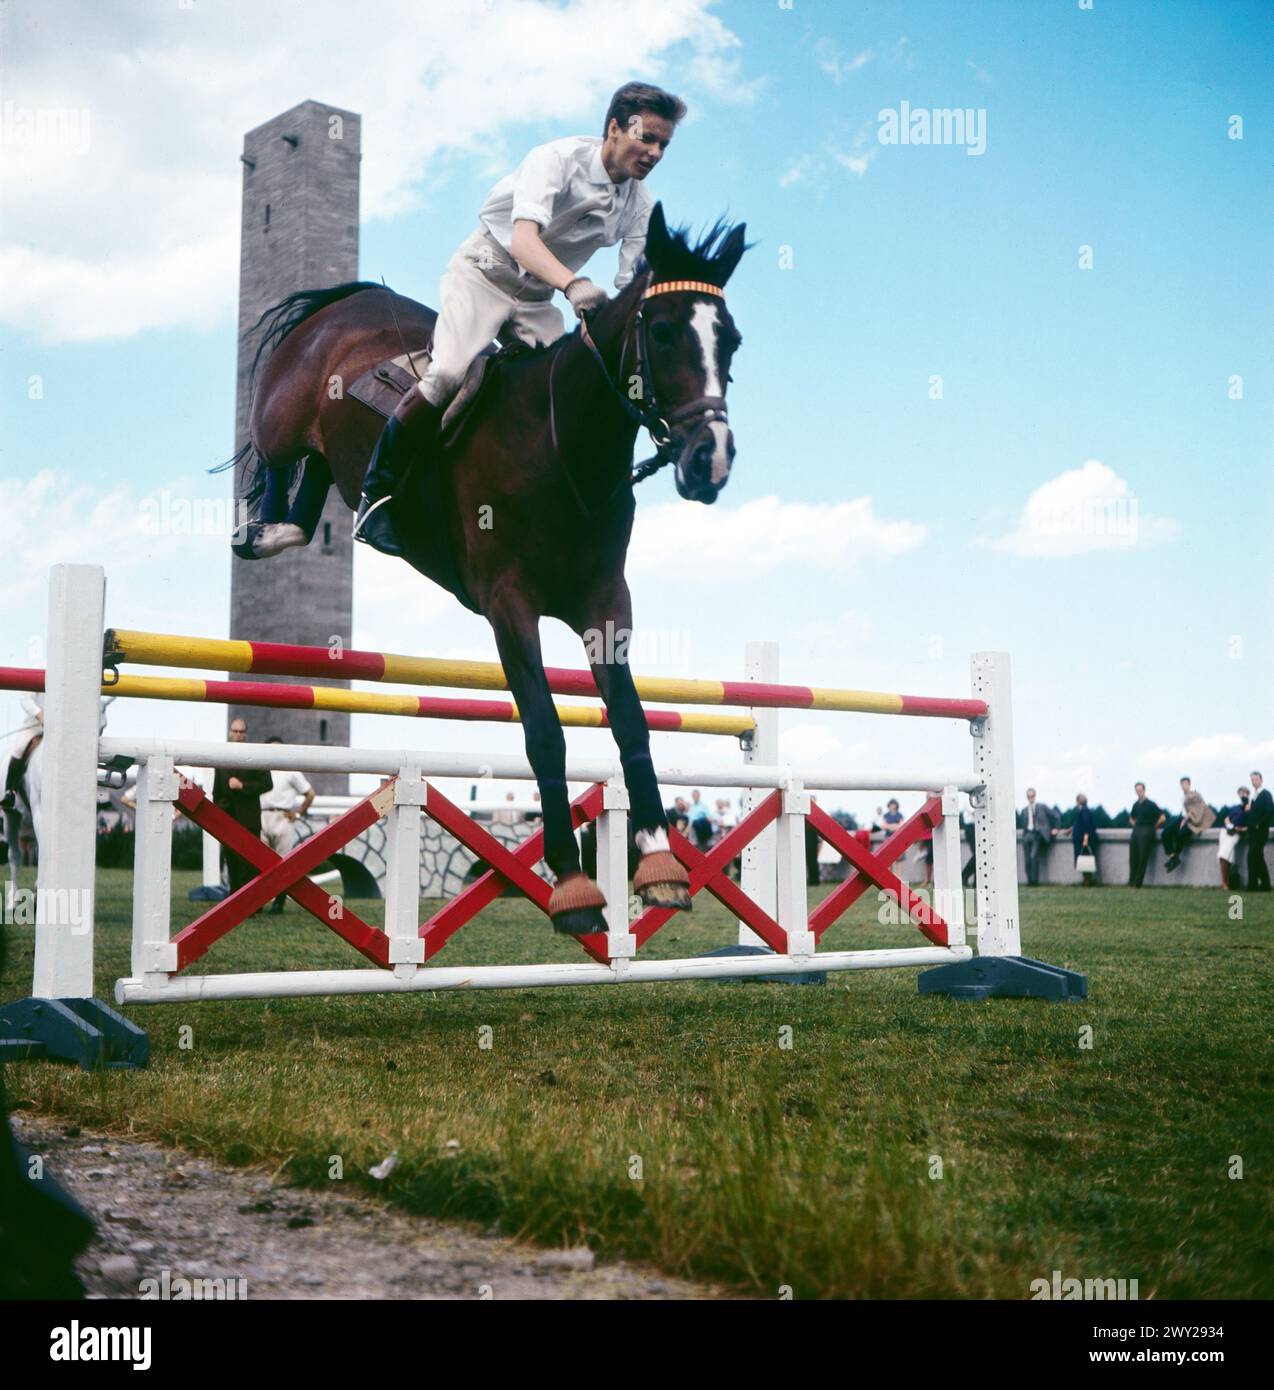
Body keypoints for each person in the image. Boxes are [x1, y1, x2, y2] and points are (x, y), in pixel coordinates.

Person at [352, 81, 684, 555]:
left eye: (663, 145)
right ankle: (376, 496)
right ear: (613, 128)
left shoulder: (640, 205)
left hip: (535, 301)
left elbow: (633, 287)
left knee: (569, 384)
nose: (654, 152)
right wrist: (573, 285)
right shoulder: (555, 159)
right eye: (646, 138)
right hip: (484, 274)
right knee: (448, 372)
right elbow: (525, 243)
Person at [212, 718, 273, 897]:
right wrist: (219, 815)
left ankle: (251, 903)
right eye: (235, 731)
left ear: (245, 734)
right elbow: (216, 791)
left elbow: (267, 784)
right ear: (230, 732)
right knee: (231, 861)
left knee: (249, 864)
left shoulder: (255, 755)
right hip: (228, 819)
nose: (238, 735)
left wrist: (243, 786)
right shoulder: (221, 757)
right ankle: (234, 899)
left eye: (241, 732)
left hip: (249, 819)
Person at [259, 737, 315, 913]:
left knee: (282, 862)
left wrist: (298, 813)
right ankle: (258, 902)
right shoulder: (260, 769)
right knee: (259, 862)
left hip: (283, 817)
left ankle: (279, 902)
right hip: (261, 815)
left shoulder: (291, 771)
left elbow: (310, 794)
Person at [1162, 776, 1215, 872]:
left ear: (1189, 784)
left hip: (1192, 821)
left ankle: (1175, 857)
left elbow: (1199, 809)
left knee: (1181, 835)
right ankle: (1173, 857)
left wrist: (1186, 820)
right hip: (1181, 818)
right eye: (1182, 784)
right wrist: (1182, 820)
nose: (1184, 786)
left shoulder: (1195, 795)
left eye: (1185, 784)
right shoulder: (1183, 797)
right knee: (1165, 833)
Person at [1127, 781, 1164, 888]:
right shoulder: (1135, 805)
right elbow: (1131, 817)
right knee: (1133, 857)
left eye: (1140, 790)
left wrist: (1153, 827)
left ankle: (1137, 884)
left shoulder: (1151, 804)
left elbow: (1162, 818)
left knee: (1142, 858)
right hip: (1136, 831)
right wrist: (1135, 825)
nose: (1139, 792)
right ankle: (1131, 882)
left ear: (1144, 790)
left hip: (1147, 831)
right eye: (1137, 791)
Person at [1018, 788, 1056, 886]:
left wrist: (1055, 828)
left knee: (1033, 857)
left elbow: (1056, 816)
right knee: (1027, 860)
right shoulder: (1024, 811)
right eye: (1029, 796)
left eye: (1032, 796)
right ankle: (1030, 881)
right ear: (1027, 797)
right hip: (1027, 835)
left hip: (1038, 835)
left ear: (1035, 796)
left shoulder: (1042, 807)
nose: (1030, 798)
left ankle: (1035, 881)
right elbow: (1023, 825)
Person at [1217, 787, 1249, 891]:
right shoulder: (1235, 807)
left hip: (1235, 834)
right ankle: (1226, 883)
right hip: (1225, 832)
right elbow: (1226, 818)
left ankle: (1225, 883)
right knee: (1226, 857)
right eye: (1241, 793)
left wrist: (1238, 828)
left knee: (1224, 855)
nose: (1243, 794)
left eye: (1245, 793)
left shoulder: (1249, 807)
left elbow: (1248, 826)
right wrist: (1228, 823)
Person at [1248, 770, 1272, 891]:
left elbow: (1269, 811)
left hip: (1261, 832)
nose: (1254, 782)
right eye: (1252, 780)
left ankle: (1254, 885)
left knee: (1252, 856)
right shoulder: (1254, 796)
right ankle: (1264, 885)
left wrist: (1259, 824)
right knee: (1257, 857)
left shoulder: (1266, 794)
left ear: (1261, 780)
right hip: (1253, 832)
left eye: (1256, 779)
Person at [1071, 792, 1098, 887]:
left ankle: (1087, 882)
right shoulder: (1085, 810)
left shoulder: (1084, 811)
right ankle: (1087, 881)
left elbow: (1086, 825)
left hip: (1084, 840)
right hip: (1084, 839)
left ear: (1078, 801)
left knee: (1085, 861)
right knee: (1085, 861)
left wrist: (1085, 839)